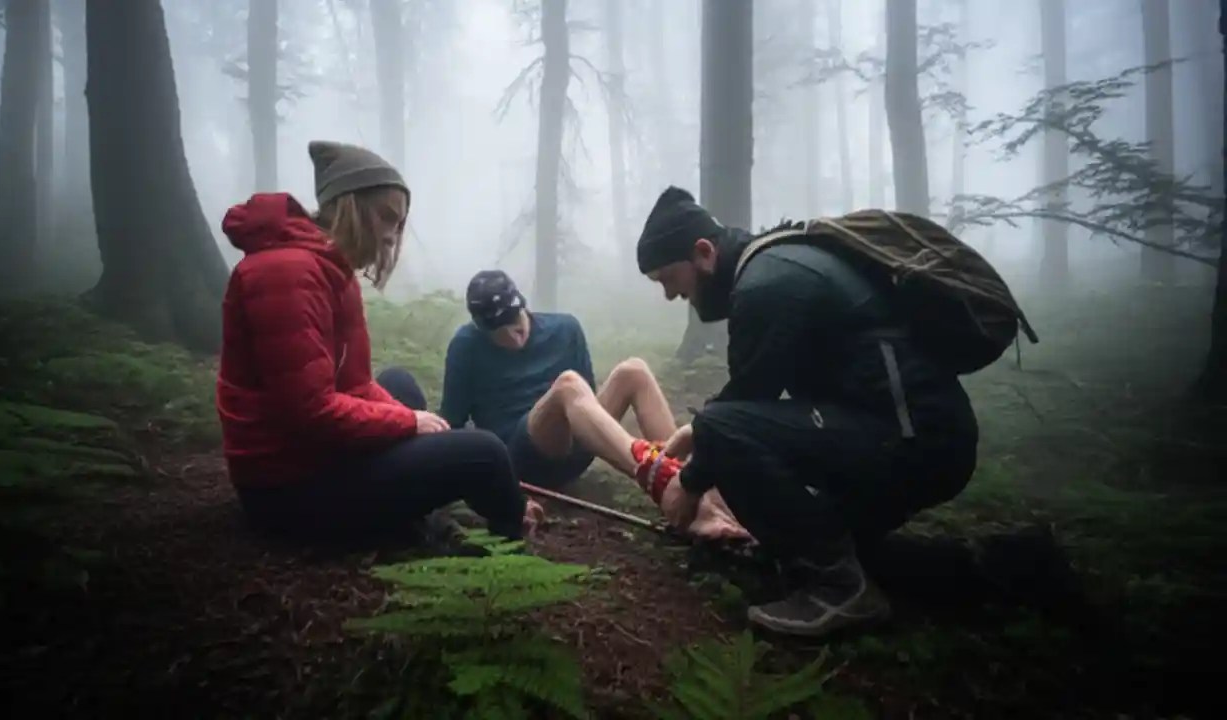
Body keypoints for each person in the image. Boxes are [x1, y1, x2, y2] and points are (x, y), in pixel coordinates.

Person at [634, 186, 981, 637]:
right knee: (843, 545)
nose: (669, 294)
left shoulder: (765, 285)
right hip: (918, 434)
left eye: (667, 278)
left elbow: (735, 417)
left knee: (724, 433)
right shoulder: (777, 264)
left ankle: (839, 589)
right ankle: (1007, 564)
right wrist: (695, 433)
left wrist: (688, 483)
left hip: (913, 441)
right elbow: (750, 393)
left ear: (702, 253)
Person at [214, 140, 542, 551]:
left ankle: (421, 521)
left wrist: (412, 422)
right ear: (351, 206)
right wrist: (408, 425)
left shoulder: (328, 268)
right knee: (486, 452)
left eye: (400, 223)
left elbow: (354, 384)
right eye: (387, 217)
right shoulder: (288, 273)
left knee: (399, 386)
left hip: (313, 461)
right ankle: (514, 544)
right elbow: (308, 411)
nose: (392, 235)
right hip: (288, 491)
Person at [438, 269, 750, 541]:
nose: (511, 335)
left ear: (523, 305)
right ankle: (664, 483)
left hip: (573, 445)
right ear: (481, 329)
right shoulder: (466, 346)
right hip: (519, 456)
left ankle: (692, 490)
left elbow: (587, 404)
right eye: (497, 331)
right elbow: (451, 426)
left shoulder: (565, 329)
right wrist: (497, 492)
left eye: (513, 321)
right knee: (568, 385)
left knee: (634, 371)